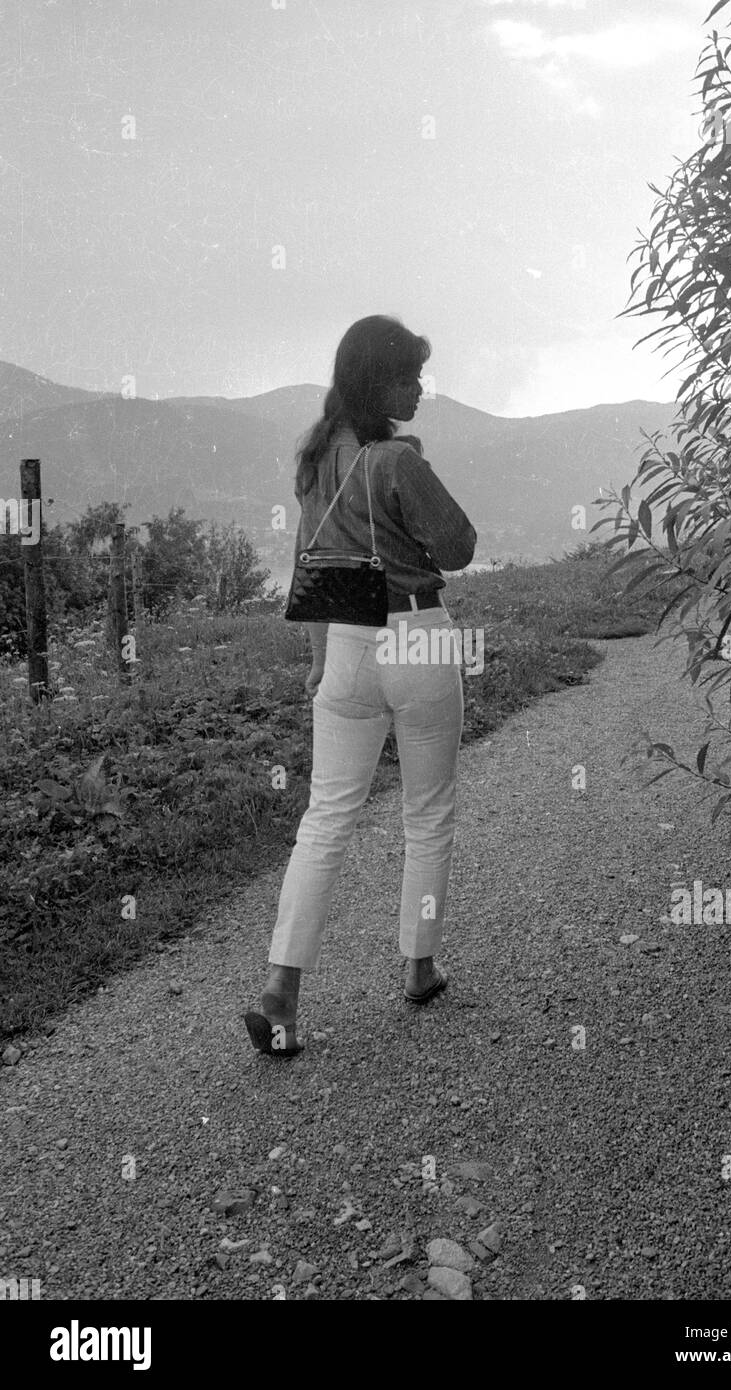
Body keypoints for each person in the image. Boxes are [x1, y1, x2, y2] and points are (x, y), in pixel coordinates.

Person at [244, 315, 477, 1058]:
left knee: (326, 818)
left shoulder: (315, 462)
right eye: (409, 377)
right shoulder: (395, 463)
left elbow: (305, 568)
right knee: (427, 813)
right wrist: (413, 470)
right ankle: (419, 965)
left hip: (343, 646)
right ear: (378, 382)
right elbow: (460, 547)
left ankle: (282, 989)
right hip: (416, 637)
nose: (419, 390)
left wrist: (318, 661)